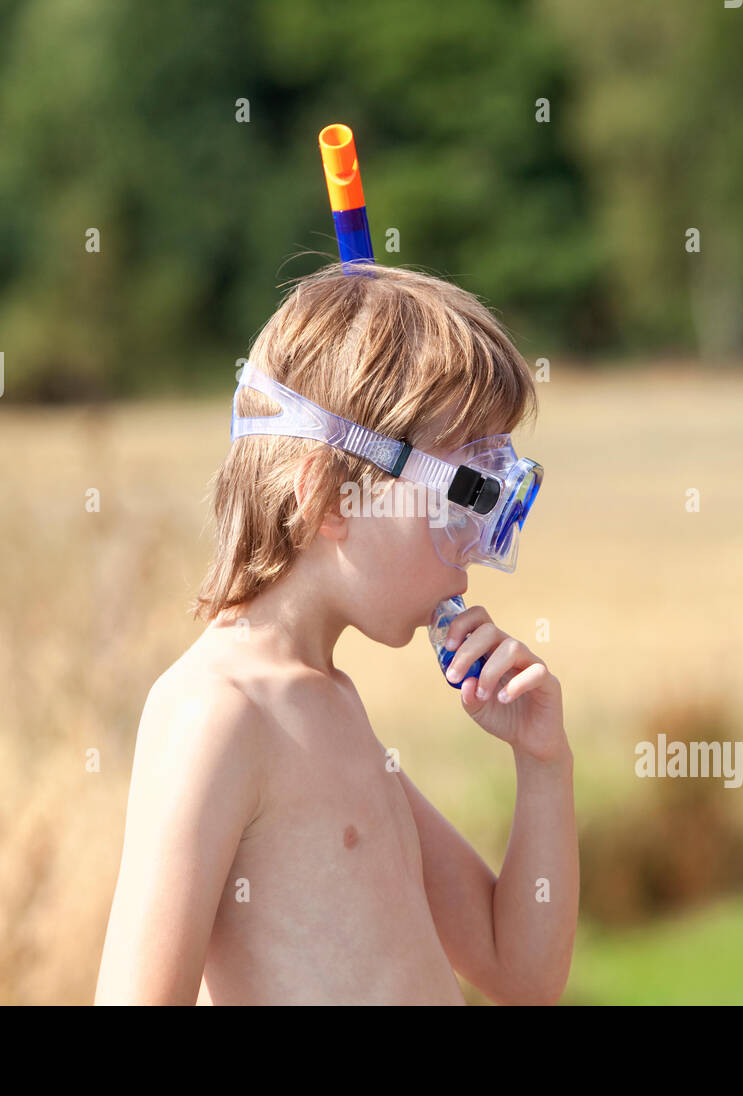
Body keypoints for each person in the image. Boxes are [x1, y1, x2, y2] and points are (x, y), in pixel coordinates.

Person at [94, 262, 576, 1005]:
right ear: (327, 496)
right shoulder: (216, 713)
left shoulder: (333, 707)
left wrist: (543, 760)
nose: (478, 550)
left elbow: (523, 974)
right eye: (458, 506)